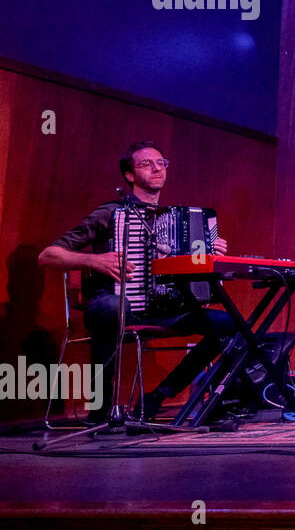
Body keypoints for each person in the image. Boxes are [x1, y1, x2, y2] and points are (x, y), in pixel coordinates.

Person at [38, 141, 233, 423]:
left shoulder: (179, 220)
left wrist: (210, 255)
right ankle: (101, 411)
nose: (156, 168)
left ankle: (158, 397)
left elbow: (190, 270)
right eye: (146, 164)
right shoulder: (110, 213)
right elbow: (48, 255)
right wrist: (94, 260)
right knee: (111, 308)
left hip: (166, 309)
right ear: (129, 176)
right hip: (116, 303)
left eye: (161, 162)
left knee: (230, 326)